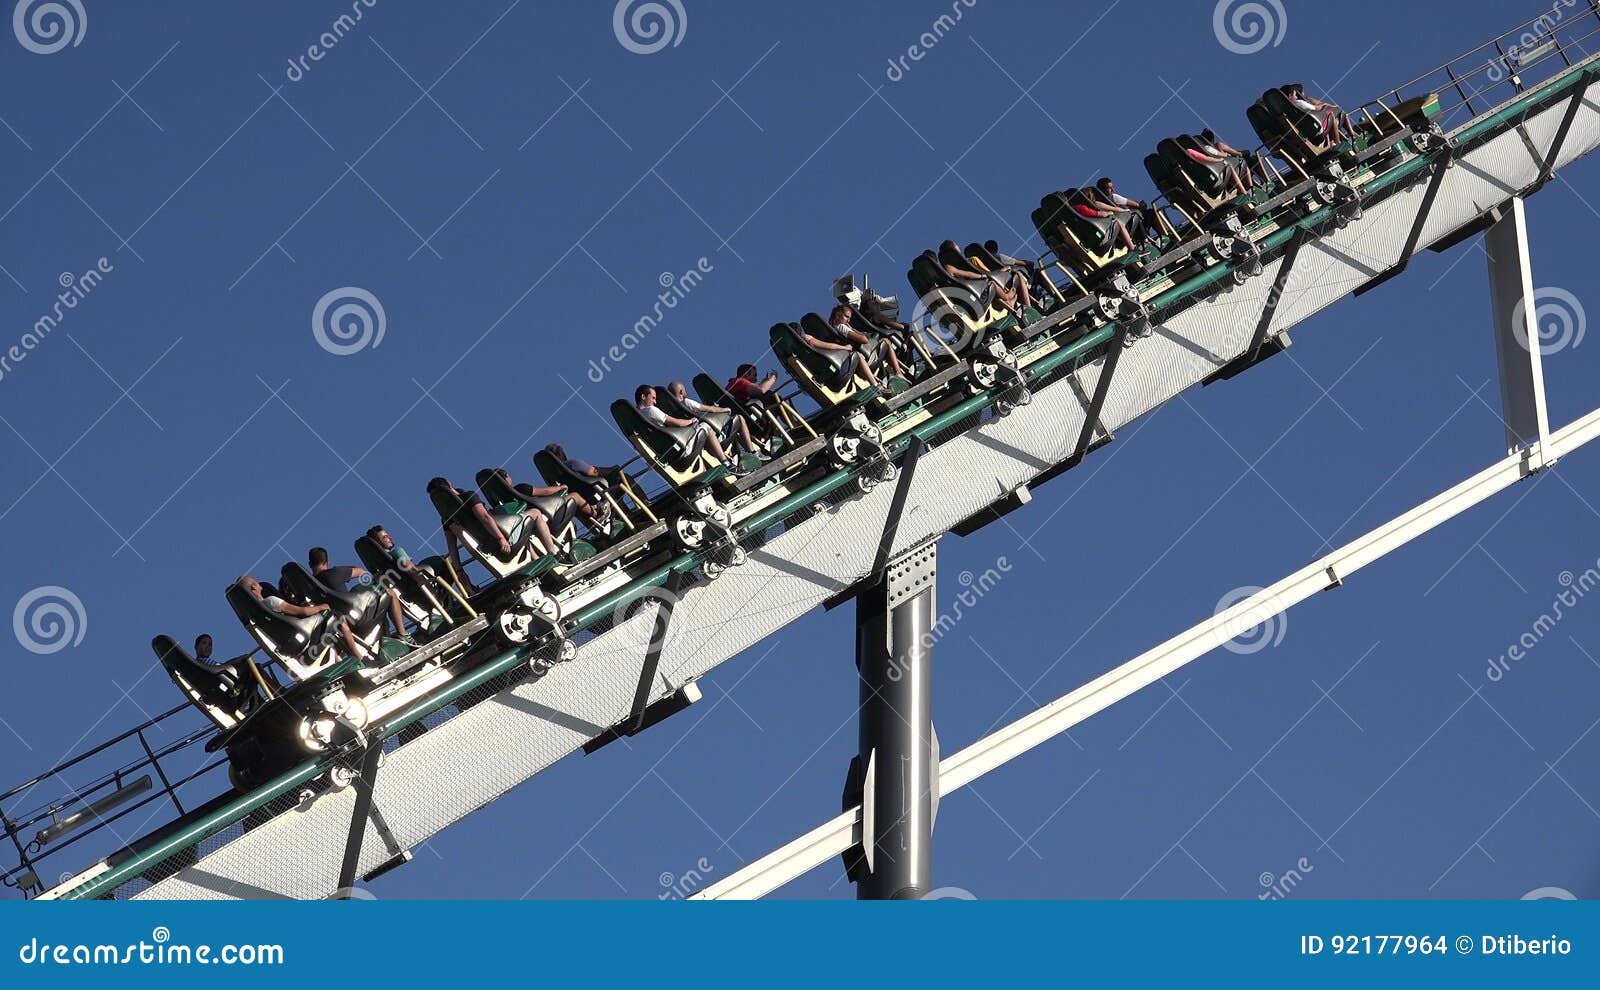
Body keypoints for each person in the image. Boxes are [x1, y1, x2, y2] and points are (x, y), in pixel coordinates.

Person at [428, 475, 565, 571]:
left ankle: (536, 560)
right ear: (449, 485)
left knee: (520, 526)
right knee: (534, 513)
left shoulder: (448, 518)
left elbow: (452, 546)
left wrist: (459, 571)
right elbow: (485, 517)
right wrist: (501, 539)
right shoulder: (467, 496)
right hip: (502, 541)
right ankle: (553, 554)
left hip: (487, 547)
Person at [239, 574, 369, 662]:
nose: (258, 582)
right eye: (255, 581)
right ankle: (358, 656)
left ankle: (335, 660)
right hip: (306, 641)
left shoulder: (257, 617)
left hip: (293, 650)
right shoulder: (270, 602)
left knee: (325, 626)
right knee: (337, 616)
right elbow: (303, 612)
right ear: (254, 587)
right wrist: (321, 607)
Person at [308, 546, 409, 641]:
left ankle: (385, 639)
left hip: (341, 629)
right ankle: (403, 634)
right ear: (327, 561)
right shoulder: (335, 573)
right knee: (389, 593)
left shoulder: (311, 588)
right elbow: (361, 572)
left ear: (310, 564)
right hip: (359, 620)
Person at [635, 385, 745, 470]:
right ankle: (726, 463)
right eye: (653, 398)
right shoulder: (650, 410)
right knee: (705, 427)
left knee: (700, 430)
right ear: (643, 396)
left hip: (668, 457)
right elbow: (676, 423)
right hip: (682, 453)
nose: (654, 402)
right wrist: (691, 421)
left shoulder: (638, 419)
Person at [796, 316, 893, 395]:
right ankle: (876, 385)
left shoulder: (797, 354)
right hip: (836, 377)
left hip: (828, 382)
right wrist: (844, 348)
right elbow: (828, 346)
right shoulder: (807, 340)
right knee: (857, 355)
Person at [667, 380, 764, 459]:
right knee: (739, 418)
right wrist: (726, 409)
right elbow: (712, 409)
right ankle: (753, 452)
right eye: (684, 390)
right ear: (681, 392)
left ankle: (737, 455)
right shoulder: (687, 403)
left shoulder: (674, 414)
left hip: (704, 447)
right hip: (717, 440)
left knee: (730, 425)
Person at [937, 240, 1034, 318]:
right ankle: (1018, 303)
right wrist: (999, 271)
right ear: (954, 249)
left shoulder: (944, 273)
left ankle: (1011, 302)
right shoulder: (971, 260)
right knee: (1015, 276)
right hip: (983, 290)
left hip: (971, 295)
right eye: (956, 245)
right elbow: (982, 274)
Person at [1092, 178, 1160, 244]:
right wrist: (1141, 205)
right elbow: (1137, 205)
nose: (1112, 190)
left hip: (1118, 231)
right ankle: (1161, 236)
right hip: (1128, 227)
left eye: (1112, 187)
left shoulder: (1097, 203)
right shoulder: (1114, 197)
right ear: (1103, 189)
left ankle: (1145, 237)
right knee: (1150, 212)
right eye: (1109, 188)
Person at [1068, 192, 1138, 252]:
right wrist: (1109, 213)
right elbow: (1101, 214)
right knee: (1117, 222)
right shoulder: (1082, 208)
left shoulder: (1073, 209)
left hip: (1081, 228)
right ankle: (1131, 247)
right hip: (1092, 233)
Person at [1283, 83, 1348, 144]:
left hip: (1301, 130)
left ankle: (1337, 140)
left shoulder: (1286, 108)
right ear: (1290, 95)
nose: (1296, 96)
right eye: (1295, 94)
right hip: (1314, 134)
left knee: (1334, 115)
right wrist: (1324, 104)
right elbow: (1316, 108)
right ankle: (1338, 143)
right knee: (1331, 114)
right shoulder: (1298, 103)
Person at [1180, 142, 1250, 197]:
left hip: (1208, 170)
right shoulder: (1194, 150)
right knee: (1230, 167)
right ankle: (1243, 190)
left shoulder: (1185, 158)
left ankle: (1238, 154)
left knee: (1220, 148)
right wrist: (1220, 159)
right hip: (1213, 173)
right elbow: (1206, 158)